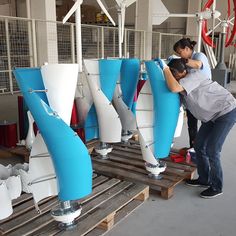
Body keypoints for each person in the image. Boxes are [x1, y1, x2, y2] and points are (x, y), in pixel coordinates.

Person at [156, 58, 236, 199]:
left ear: (182, 72)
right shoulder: (181, 82)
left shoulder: (194, 75)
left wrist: (165, 69)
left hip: (226, 112)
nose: (173, 78)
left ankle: (217, 187)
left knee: (212, 149)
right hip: (211, 116)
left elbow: (174, 87)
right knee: (199, 146)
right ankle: (204, 179)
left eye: (174, 74)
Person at [173, 38, 212, 148]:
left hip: (205, 97)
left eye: (180, 52)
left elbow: (198, 65)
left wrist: (182, 61)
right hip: (192, 98)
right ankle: (193, 148)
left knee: (207, 124)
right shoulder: (186, 60)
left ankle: (204, 150)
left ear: (186, 48)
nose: (180, 56)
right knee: (192, 125)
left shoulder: (199, 56)